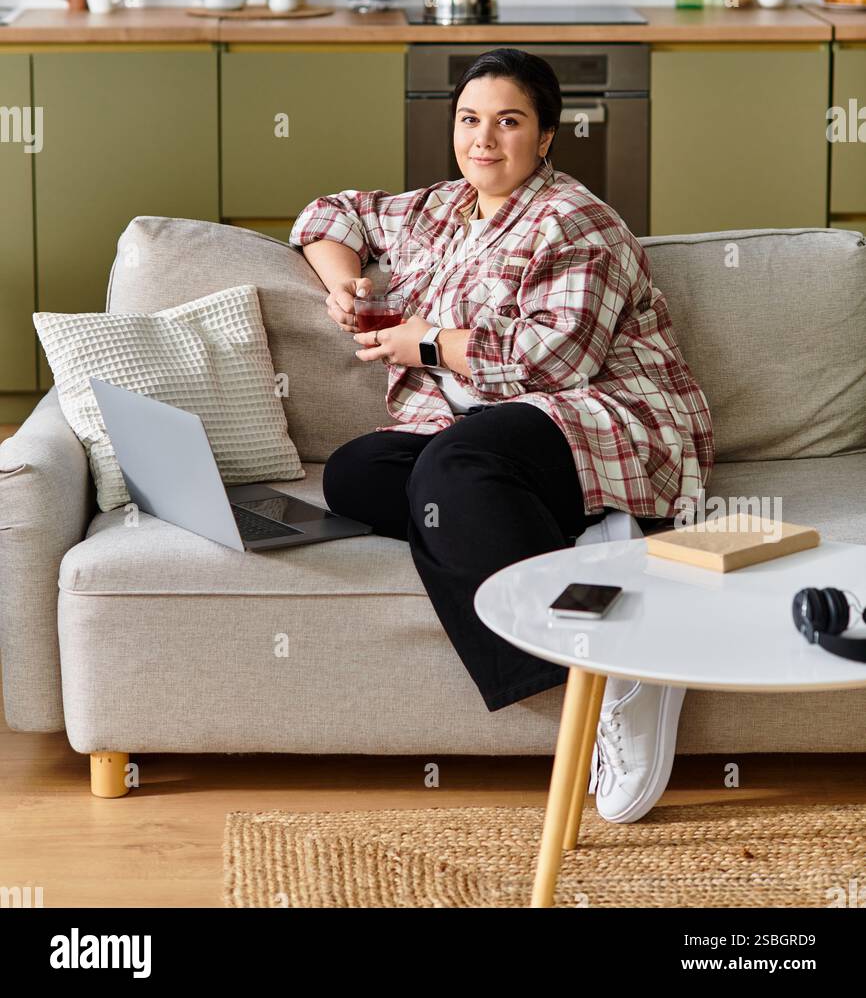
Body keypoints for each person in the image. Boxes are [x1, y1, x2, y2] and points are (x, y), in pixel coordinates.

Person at [288, 47, 715, 823]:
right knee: (356, 472)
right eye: (469, 119)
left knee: (453, 468)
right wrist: (343, 282)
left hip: (605, 418)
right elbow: (328, 214)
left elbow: (554, 360)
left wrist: (425, 342)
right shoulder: (438, 210)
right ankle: (593, 552)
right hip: (489, 438)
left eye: (508, 122)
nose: (483, 139)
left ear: (545, 136)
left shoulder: (575, 221)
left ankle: (619, 672)